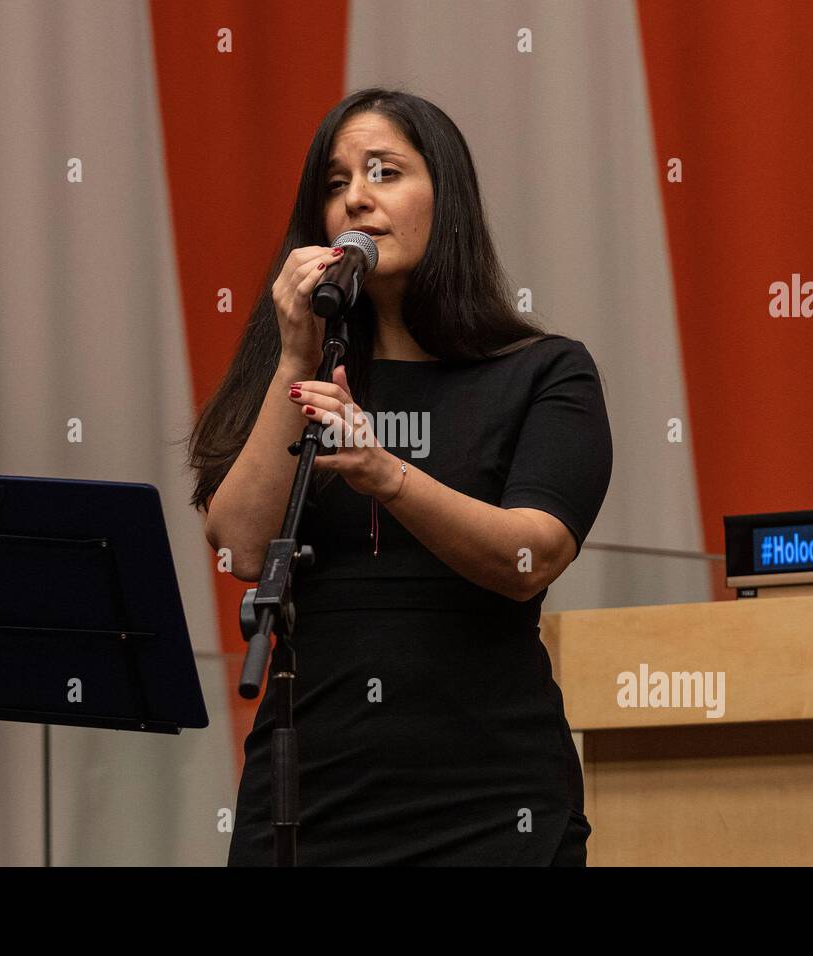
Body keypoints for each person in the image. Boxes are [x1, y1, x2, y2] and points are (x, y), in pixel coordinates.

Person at [186, 88, 612, 865]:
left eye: (385, 171)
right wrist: (292, 358)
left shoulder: (543, 374)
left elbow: (531, 558)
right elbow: (243, 550)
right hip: (313, 797)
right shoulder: (292, 373)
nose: (356, 198)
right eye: (335, 181)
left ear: (445, 197)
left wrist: (388, 475)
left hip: (490, 800)